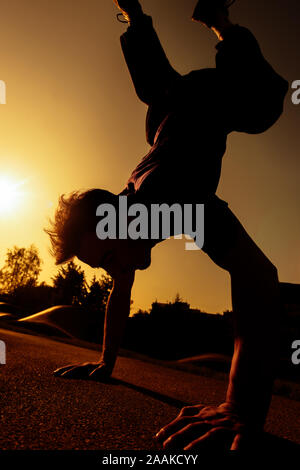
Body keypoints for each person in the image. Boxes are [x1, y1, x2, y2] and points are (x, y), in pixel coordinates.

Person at [46, 0, 289, 451]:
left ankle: (220, 20)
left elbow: (259, 276)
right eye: (104, 265)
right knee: (157, 90)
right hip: (168, 109)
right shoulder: (130, 220)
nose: (114, 270)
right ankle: (135, 13)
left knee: (266, 103)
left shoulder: (168, 199)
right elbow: (120, 292)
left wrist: (240, 407)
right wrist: (106, 363)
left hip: (211, 100)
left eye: (110, 259)